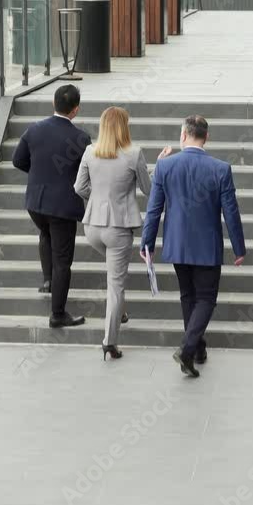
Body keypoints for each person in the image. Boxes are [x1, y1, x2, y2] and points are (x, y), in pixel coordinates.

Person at [140, 115, 246, 378]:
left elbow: (153, 210)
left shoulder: (165, 167)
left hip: (177, 243)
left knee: (188, 296)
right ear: (206, 137)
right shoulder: (220, 168)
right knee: (207, 298)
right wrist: (239, 247)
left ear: (184, 135)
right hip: (207, 246)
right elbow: (231, 212)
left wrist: (147, 242)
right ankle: (188, 349)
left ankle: (197, 348)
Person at [74, 107, 156, 361]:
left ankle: (119, 312)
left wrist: (97, 200)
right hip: (118, 227)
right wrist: (159, 166)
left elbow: (79, 187)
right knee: (115, 283)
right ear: (124, 126)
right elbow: (148, 189)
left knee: (115, 278)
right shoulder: (134, 154)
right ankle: (110, 340)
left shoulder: (90, 151)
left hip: (92, 228)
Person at [12, 84, 92, 328]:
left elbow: (18, 160)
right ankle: (58, 314)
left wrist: (38, 174)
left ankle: (47, 281)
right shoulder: (81, 138)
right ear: (75, 110)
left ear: (53, 104)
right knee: (63, 261)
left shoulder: (34, 129)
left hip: (35, 202)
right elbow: (85, 173)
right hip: (63, 206)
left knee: (45, 235)